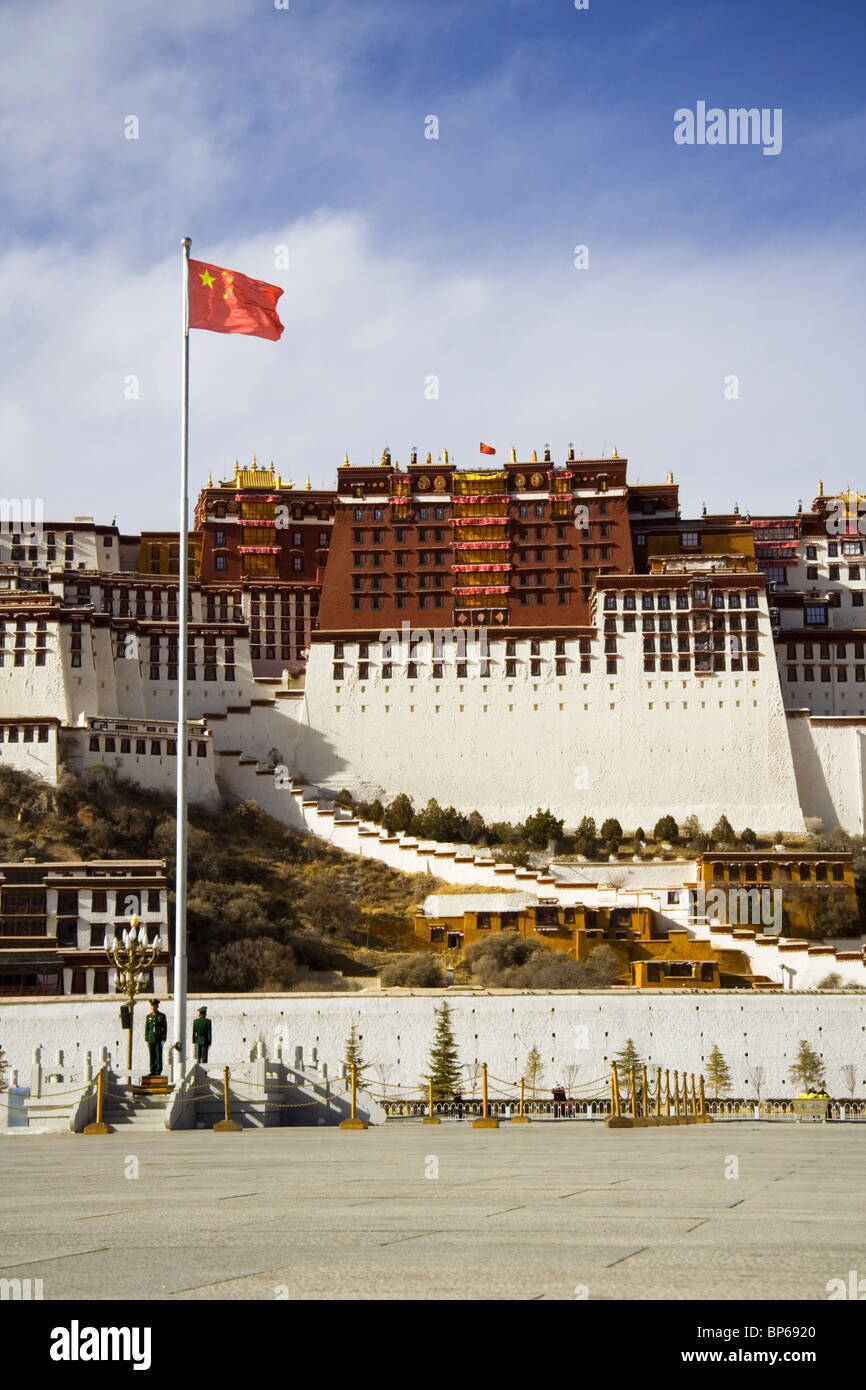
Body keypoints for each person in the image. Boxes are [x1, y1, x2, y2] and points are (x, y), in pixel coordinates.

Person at [144, 998, 167, 1076]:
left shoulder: (161, 1016)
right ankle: (152, 1070)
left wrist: (163, 1039)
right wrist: (146, 1039)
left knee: (158, 1055)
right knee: (152, 1055)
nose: (153, 1007)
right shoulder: (148, 1017)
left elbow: (164, 1028)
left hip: (158, 1038)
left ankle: (158, 1070)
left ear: (157, 1006)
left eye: (155, 1005)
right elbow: (147, 1028)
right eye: (152, 1006)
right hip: (151, 1038)